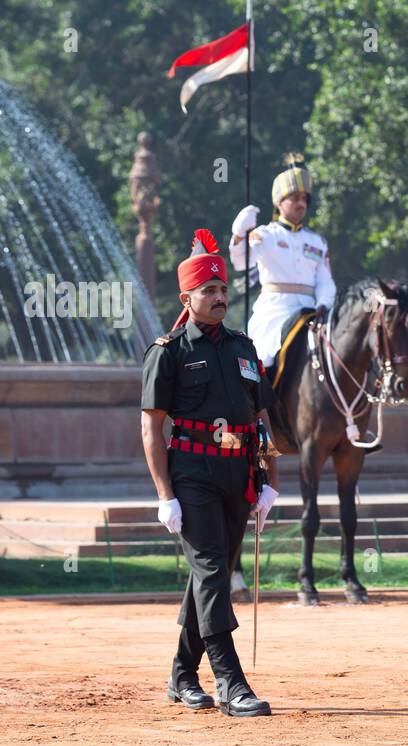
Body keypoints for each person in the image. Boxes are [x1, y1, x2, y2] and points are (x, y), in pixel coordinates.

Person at [141, 229, 279, 717]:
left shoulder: (244, 348)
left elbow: (262, 418)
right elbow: (151, 427)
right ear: (187, 298)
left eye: (223, 290)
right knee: (214, 571)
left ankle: (181, 675)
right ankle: (230, 680)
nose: (220, 298)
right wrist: (165, 494)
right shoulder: (169, 351)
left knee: (207, 576)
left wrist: (269, 483)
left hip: (238, 475)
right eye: (209, 291)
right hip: (192, 474)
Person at [229, 154, 337, 378]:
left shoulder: (317, 241)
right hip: (276, 310)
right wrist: (239, 235)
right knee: (263, 359)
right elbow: (240, 262)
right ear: (280, 202)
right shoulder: (265, 235)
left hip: (311, 310)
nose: (301, 204)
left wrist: (324, 304)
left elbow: (325, 281)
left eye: (305, 199)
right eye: (295, 198)